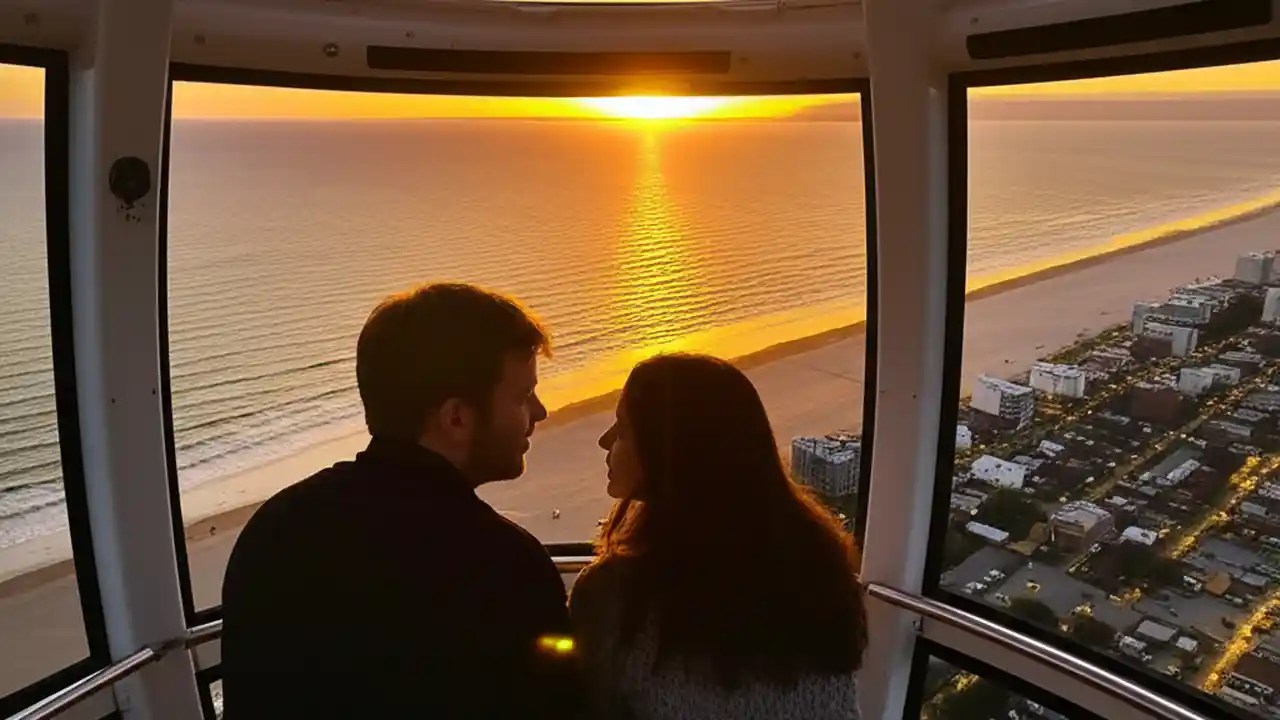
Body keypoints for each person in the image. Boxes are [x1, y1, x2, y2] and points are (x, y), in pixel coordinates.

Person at [220, 283, 578, 719]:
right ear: (457, 418)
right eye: (524, 396)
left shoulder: (273, 530)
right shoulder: (506, 566)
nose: (540, 413)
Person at [570, 353, 867, 719]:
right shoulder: (818, 566)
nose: (605, 441)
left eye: (623, 427)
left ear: (669, 451)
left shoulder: (613, 595)